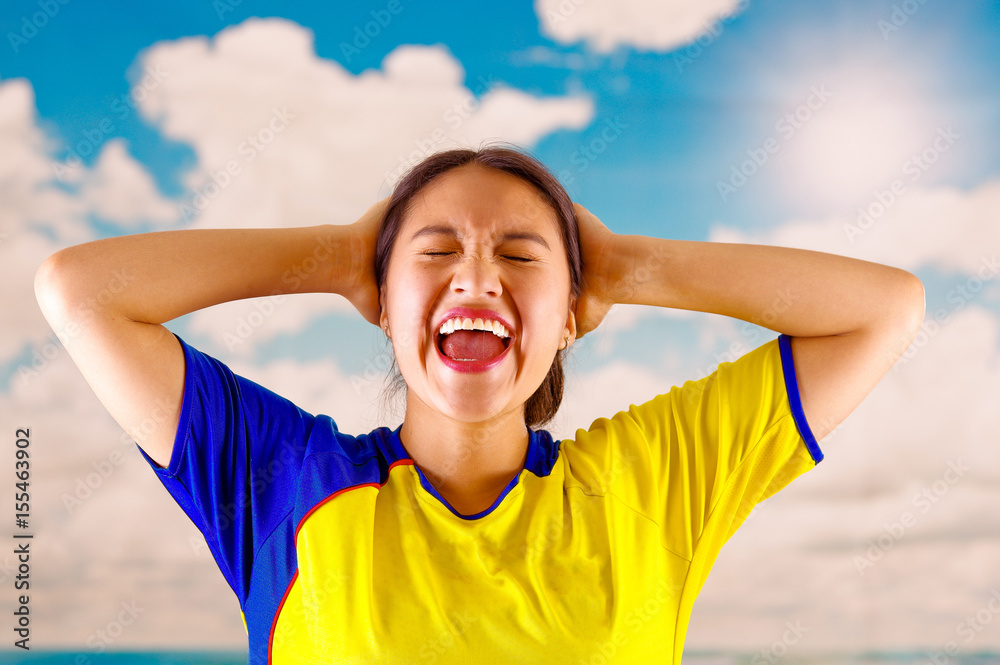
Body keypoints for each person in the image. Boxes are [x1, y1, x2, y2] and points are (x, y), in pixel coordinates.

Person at [35, 145, 924, 663]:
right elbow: (79, 291)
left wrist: (622, 268)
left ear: (572, 313)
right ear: (380, 302)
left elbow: (884, 310)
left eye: (520, 254)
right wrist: (346, 251)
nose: (476, 275)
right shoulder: (281, 482)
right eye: (435, 251)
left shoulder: (650, 484)